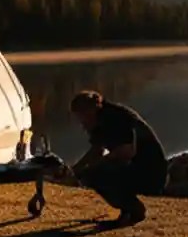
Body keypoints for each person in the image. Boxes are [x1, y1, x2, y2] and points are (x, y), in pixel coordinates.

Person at [66, 90, 168, 226]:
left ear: (90, 110)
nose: (81, 123)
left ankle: (135, 210)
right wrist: (73, 171)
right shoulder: (99, 120)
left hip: (152, 173)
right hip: (136, 168)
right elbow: (96, 150)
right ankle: (127, 211)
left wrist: (96, 166)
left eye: (82, 117)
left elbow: (126, 152)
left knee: (97, 174)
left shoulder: (116, 118)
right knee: (91, 173)